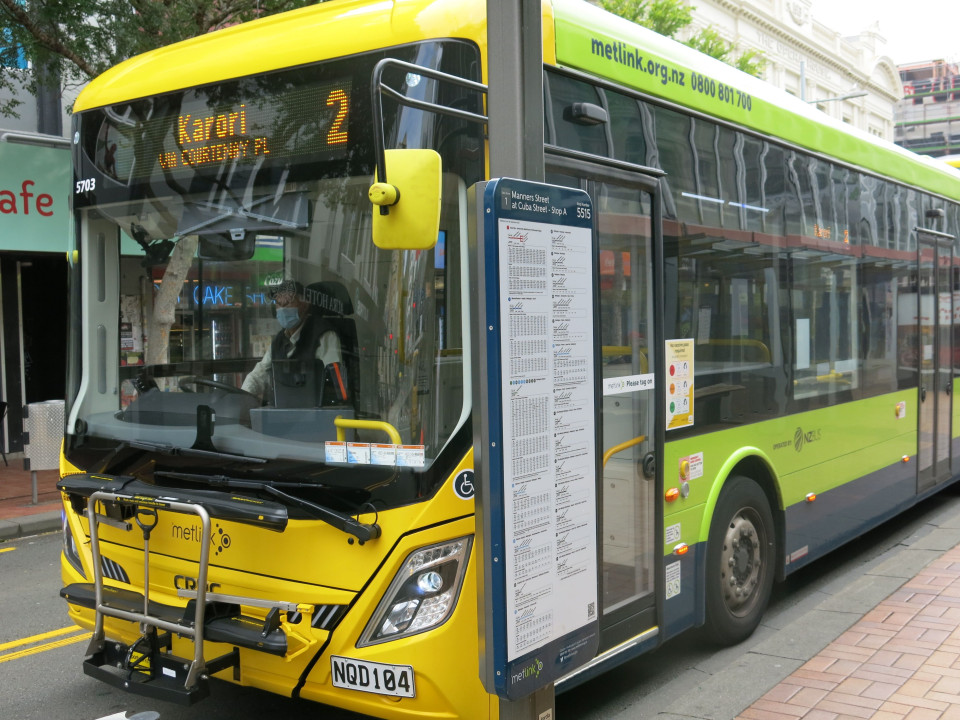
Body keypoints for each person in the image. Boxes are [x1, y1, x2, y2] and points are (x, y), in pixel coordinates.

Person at [241, 280, 348, 405]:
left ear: (304, 305)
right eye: (278, 304)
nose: (282, 309)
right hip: (283, 413)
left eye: (288, 303)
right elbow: (259, 374)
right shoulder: (279, 341)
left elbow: (335, 383)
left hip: (315, 413)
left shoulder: (323, 334)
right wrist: (242, 399)